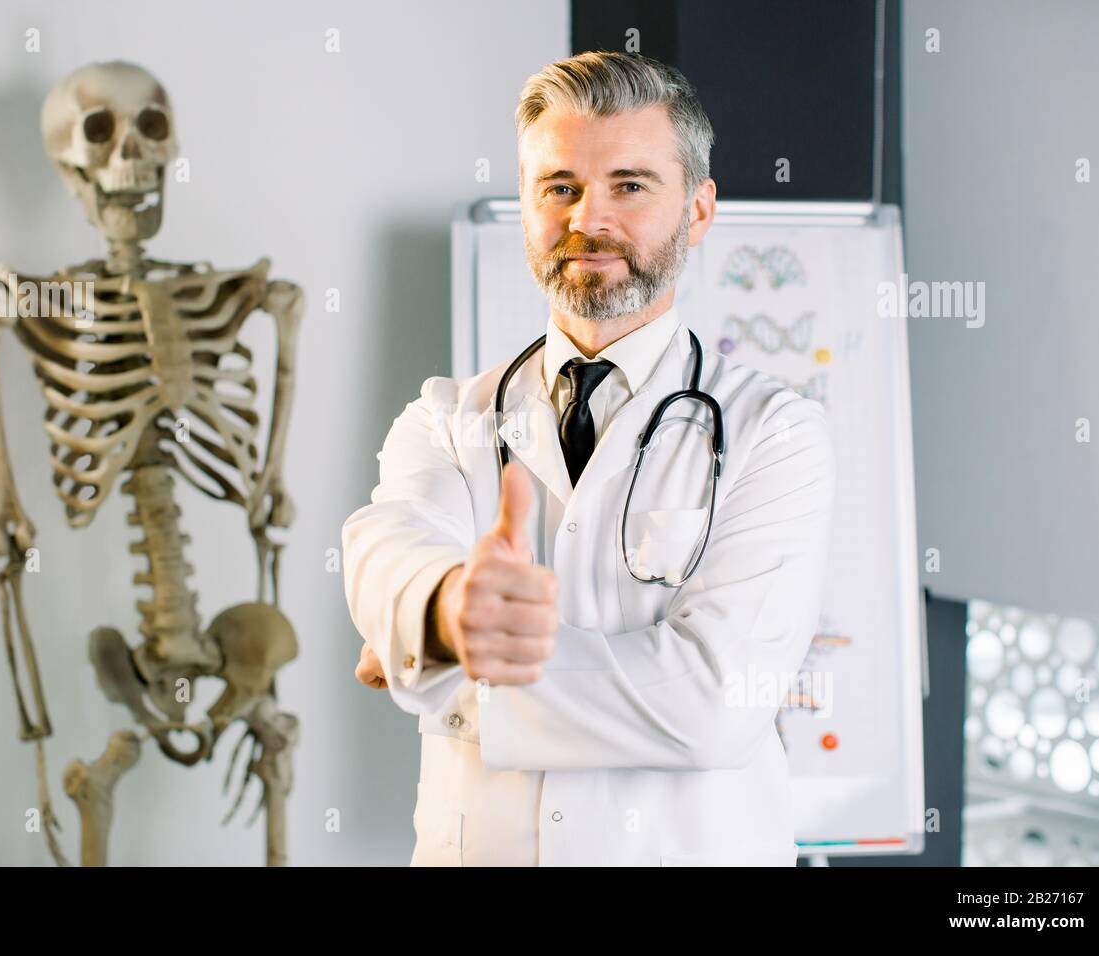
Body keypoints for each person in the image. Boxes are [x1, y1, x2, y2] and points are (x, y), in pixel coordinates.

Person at [342, 50, 836, 866]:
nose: (588, 218)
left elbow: (712, 703)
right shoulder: (445, 419)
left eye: (630, 186)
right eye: (560, 186)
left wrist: (443, 674)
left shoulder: (774, 433)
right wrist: (446, 610)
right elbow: (381, 552)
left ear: (700, 211)